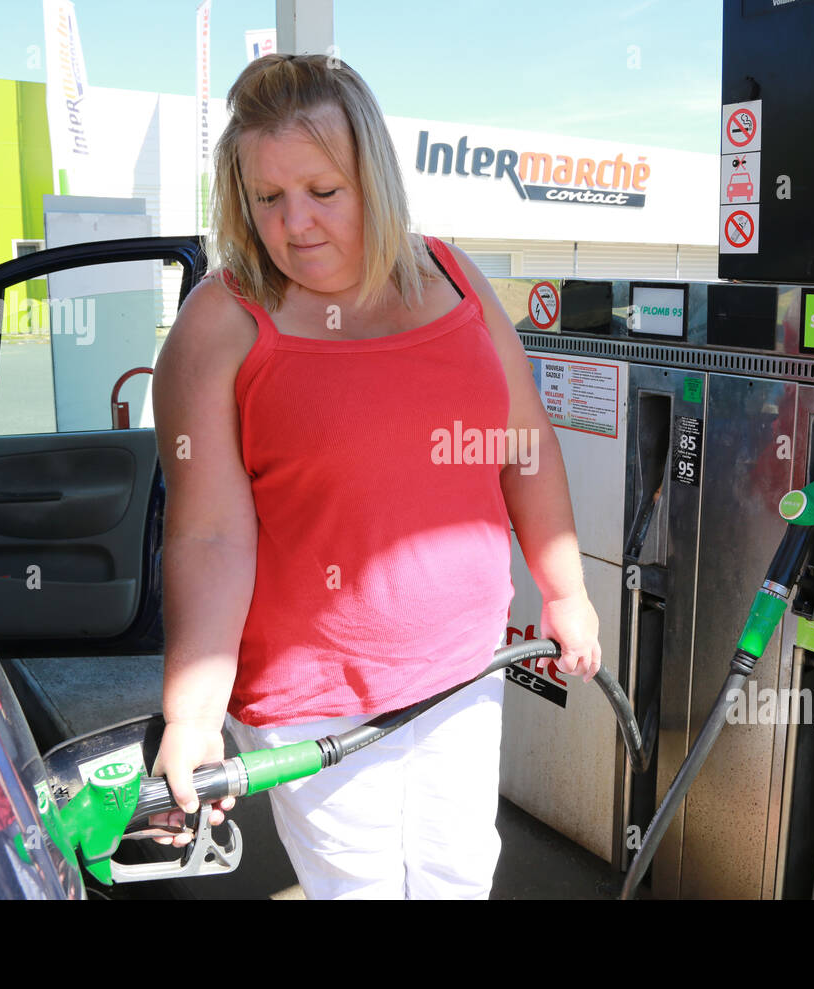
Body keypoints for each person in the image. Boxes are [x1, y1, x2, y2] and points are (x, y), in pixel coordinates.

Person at [149, 52, 599, 899]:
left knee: (458, 873)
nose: (297, 224)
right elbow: (208, 532)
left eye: (324, 191)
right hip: (315, 691)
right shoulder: (224, 321)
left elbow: (523, 443)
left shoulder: (457, 281)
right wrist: (193, 715)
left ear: (375, 178)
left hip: (464, 667)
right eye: (268, 197)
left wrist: (565, 591)